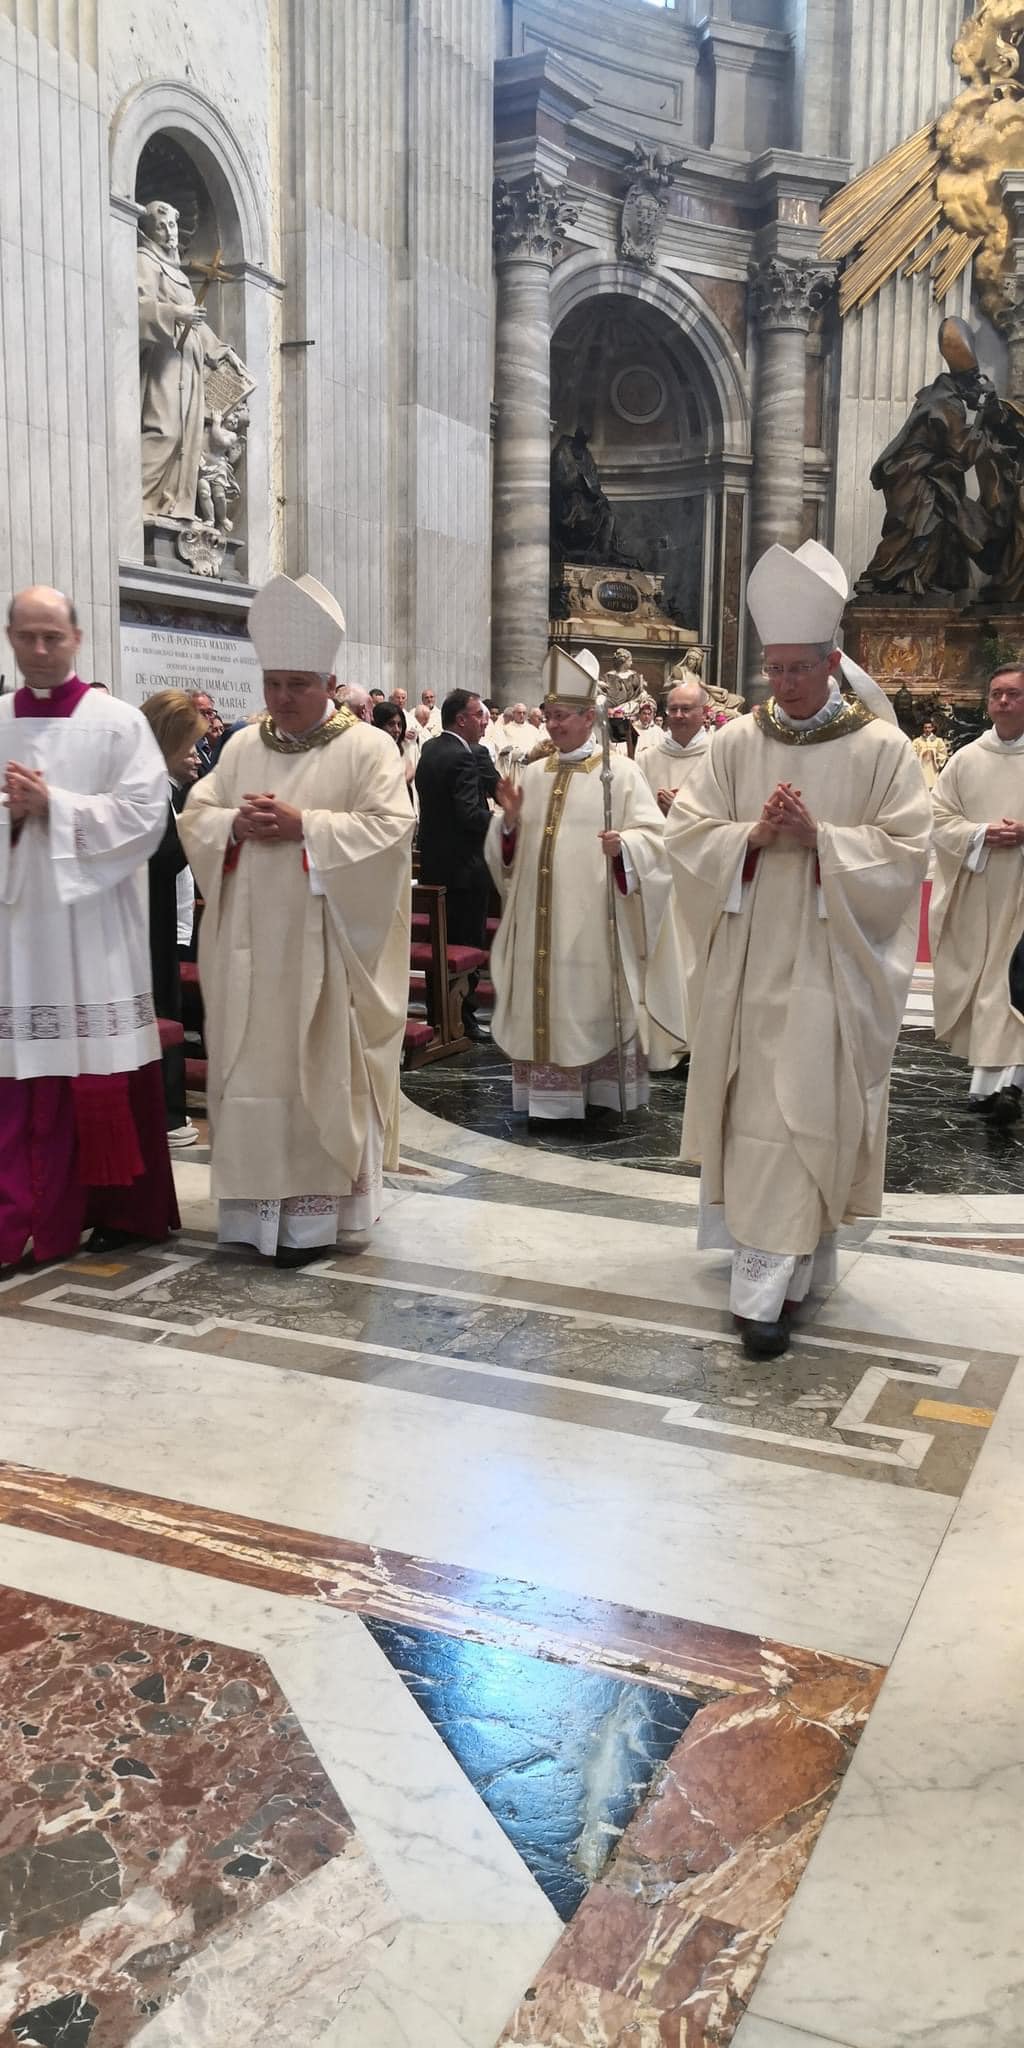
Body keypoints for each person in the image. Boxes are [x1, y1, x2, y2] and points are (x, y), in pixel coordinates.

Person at [665, 540, 931, 1359]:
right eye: (773, 669)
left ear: (832, 662)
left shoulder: (882, 749)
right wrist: (751, 835)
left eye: (797, 670)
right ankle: (764, 1288)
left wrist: (823, 841)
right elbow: (688, 834)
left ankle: (784, 1270)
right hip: (749, 964)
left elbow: (908, 852)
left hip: (830, 967)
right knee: (757, 1115)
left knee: (805, 1112)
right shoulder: (736, 743)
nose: (782, 684)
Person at [178, 573, 413, 1267]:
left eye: (297, 685)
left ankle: (314, 1223)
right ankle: (254, 1218)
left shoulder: (367, 748)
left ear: (329, 683)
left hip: (324, 953)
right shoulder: (243, 746)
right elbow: (197, 814)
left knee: (315, 1074)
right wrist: (233, 825)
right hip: (248, 950)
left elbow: (391, 831)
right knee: (253, 1072)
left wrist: (304, 826)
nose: (281, 698)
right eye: (273, 684)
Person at [0, 586, 180, 1267]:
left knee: (96, 1060)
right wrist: (13, 814)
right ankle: (19, 1218)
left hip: (93, 927)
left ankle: (114, 1211)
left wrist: (54, 804)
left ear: (77, 638)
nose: (40, 649)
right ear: (11, 639)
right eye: (27, 636)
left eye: (53, 636)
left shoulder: (117, 723)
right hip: (16, 930)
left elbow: (145, 818)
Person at [486, 646, 680, 1119]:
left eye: (562, 717)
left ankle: (599, 1092)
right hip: (537, 921)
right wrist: (508, 823)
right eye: (549, 715)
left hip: (593, 920)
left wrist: (626, 847)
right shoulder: (532, 774)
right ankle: (546, 1099)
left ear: (588, 717)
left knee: (588, 998)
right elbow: (506, 856)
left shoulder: (622, 774)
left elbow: (655, 841)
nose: (552, 725)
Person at [929, 666, 1024, 1123]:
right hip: (980, 887)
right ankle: (995, 1083)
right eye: (996, 694)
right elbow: (938, 817)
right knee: (990, 983)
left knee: (1010, 984)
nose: (1003, 702)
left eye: (1014, 694)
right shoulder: (966, 759)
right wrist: (980, 833)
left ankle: (1004, 1084)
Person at [138, 690, 208, 1148]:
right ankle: (164, 1114)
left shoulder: (164, 788)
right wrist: (198, 825)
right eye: (189, 745)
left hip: (164, 918)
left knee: (168, 1005)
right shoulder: (147, 788)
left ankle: (168, 1110)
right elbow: (160, 858)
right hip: (148, 923)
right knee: (160, 1008)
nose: (196, 754)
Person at [636, 675, 712, 1072]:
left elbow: (730, 814)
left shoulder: (719, 755)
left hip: (703, 871)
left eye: (687, 709)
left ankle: (699, 1039)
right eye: (674, 709)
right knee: (661, 954)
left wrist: (682, 809)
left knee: (699, 958)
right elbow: (634, 812)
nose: (679, 715)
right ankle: (660, 1038)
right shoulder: (647, 758)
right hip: (659, 869)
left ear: (704, 713)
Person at [415, 689, 494, 1041]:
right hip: (465, 869)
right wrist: (504, 822)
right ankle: (464, 1018)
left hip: (435, 865)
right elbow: (469, 815)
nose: (484, 721)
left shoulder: (431, 748)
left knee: (443, 941)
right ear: (461, 720)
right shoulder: (462, 756)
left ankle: (440, 1015)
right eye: (478, 715)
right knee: (468, 943)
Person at [373, 697, 417, 807]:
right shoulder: (371, 752)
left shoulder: (401, 748)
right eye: (391, 724)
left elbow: (409, 770)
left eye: (399, 725)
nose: (397, 730)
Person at [912, 718, 949, 789]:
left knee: (933, 786)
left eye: (929, 727)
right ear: (923, 729)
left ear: (932, 728)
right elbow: (912, 753)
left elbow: (943, 754)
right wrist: (922, 754)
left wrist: (934, 755)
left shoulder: (938, 741)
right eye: (925, 728)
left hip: (933, 768)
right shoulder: (917, 741)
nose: (927, 729)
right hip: (922, 768)